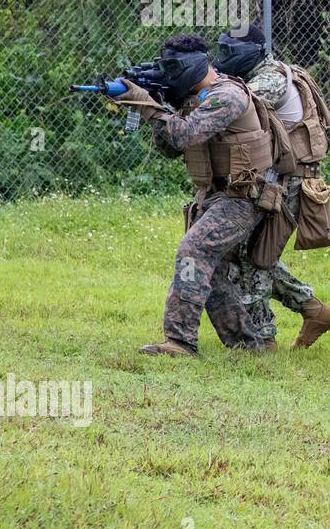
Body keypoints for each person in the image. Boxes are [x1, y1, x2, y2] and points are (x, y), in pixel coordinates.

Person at [109, 33, 277, 357]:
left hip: (244, 197)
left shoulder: (226, 95)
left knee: (193, 251)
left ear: (192, 66)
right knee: (206, 268)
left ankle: (180, 342)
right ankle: (247, 347)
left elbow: (184, 134)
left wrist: (148, 105)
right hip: (216, 197)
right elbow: (170, 148)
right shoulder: (193, 96)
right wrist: (159, 104)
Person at [213, 27, 330, 350]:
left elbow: (231, 107)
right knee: (253, 252)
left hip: (289, 182)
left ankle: (264, 338)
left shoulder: (269, 80)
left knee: (254, 256)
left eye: (230, 52)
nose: (225, 58)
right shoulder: (272, 71)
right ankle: (313, 310)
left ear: (251, 52)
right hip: (282, 179)